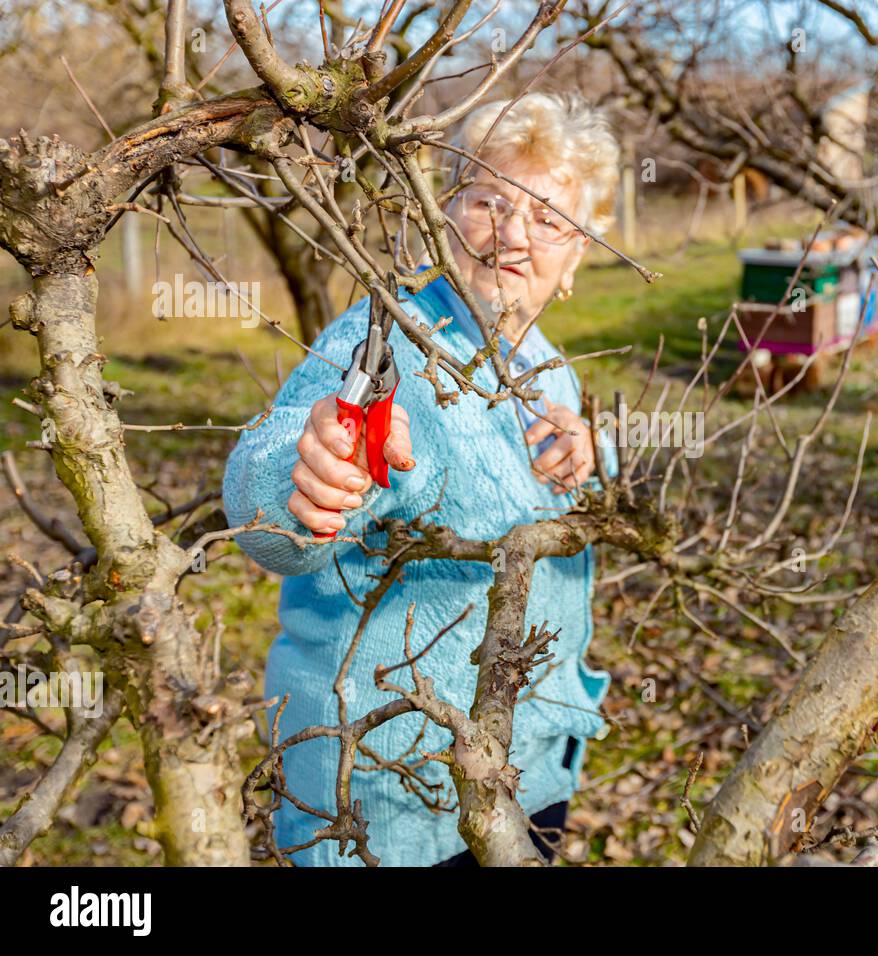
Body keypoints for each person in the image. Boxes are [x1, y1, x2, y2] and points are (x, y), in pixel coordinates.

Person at [222, 92, 621, 866]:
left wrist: (587, 454)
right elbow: (276, 483)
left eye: (549, 220)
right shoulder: (388, 342)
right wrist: (301, 487)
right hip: (388, 793)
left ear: (575, 258)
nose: (512, 234)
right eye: (489, 202)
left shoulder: (552, 368)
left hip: (523, 769)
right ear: (445, 213)